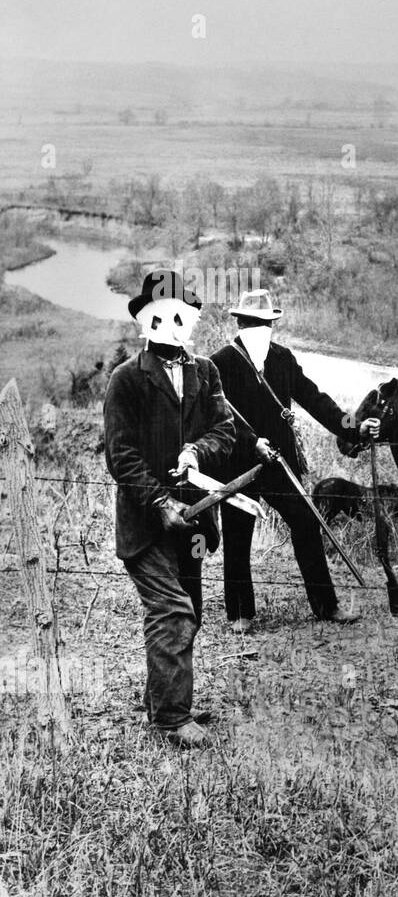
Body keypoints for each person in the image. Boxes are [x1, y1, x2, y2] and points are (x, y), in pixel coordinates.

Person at [104, 267, 235, 748]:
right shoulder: (126, 379)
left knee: (190, 613)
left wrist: (195, 451)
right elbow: (120, 455)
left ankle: (165, 699)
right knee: (173, 611)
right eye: (165, 315)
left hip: (194, 519)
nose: (175, 323)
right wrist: (158, 501)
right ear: (148, 321)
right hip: (146, 522)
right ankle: (172, 720)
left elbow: (226, 430)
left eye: (184, 314)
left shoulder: (206, 371)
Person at [210, 289, 378, 630]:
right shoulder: (220, 363)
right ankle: (240, 614)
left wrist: (354, 428)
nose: (260, 330)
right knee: (238, 535)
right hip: (239, 465)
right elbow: (216, 417)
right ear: (239, 323)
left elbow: (317, 400)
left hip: (279, 465)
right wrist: (250, 442)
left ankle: (325, 606)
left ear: (273, 325)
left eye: (266, 324)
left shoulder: (283, 359)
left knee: (306, 523)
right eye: (252, 323)